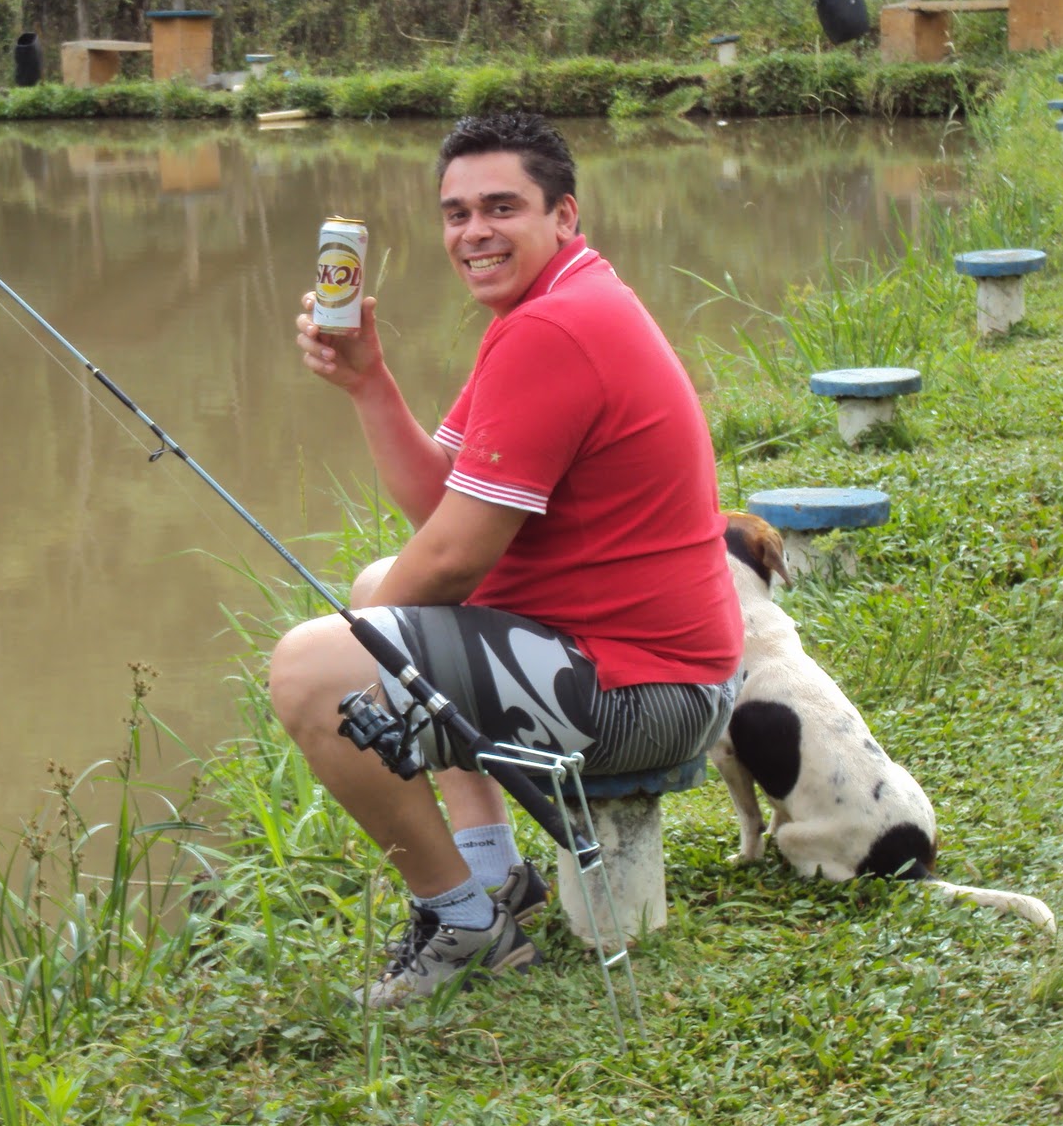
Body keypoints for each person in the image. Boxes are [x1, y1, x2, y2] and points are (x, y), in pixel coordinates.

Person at [269, 112, 743, 1008]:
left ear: (565, 214)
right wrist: (370, 381)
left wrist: (352, 666)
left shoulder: (553, 329)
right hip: (654, 668)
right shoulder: (551, 307)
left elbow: (449, 563)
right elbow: (441, 504)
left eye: (500, 207)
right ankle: (495, 876)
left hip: (648, 695)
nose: (473, 232)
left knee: (309, 669)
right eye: (455, 214)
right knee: (379, 592)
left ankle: (463, 924)